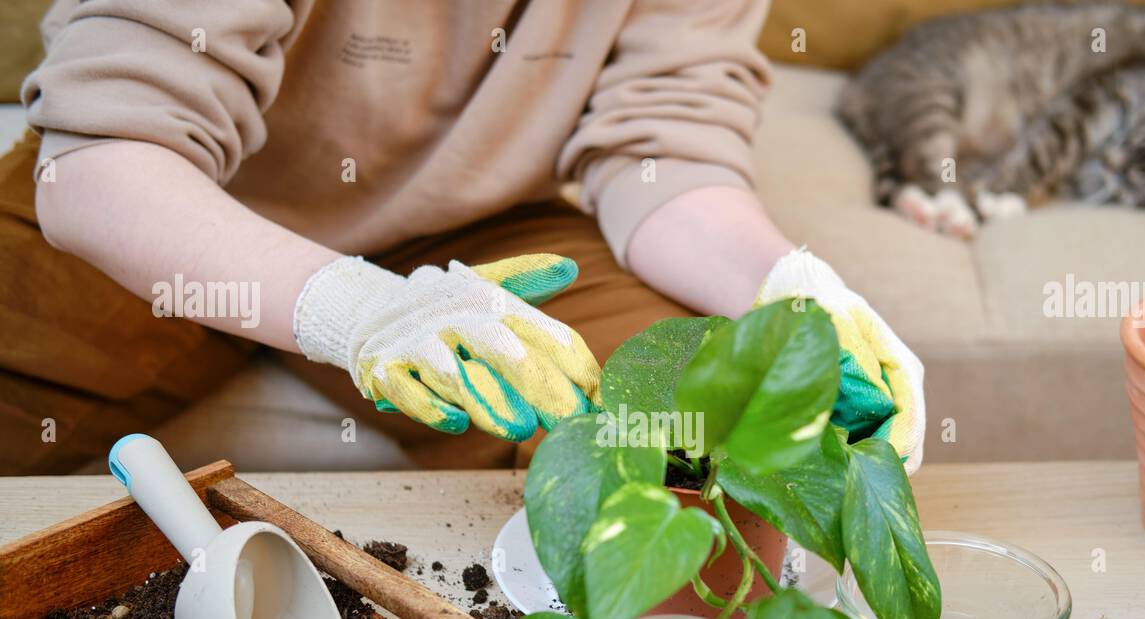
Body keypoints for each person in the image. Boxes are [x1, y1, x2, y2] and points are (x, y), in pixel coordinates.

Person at [1, 0, 924, 476]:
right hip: (167, 200)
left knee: (712, 446)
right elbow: (99, 167)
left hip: (483, 231)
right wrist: (351, 310)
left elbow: (662, 153)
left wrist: (790, 290)